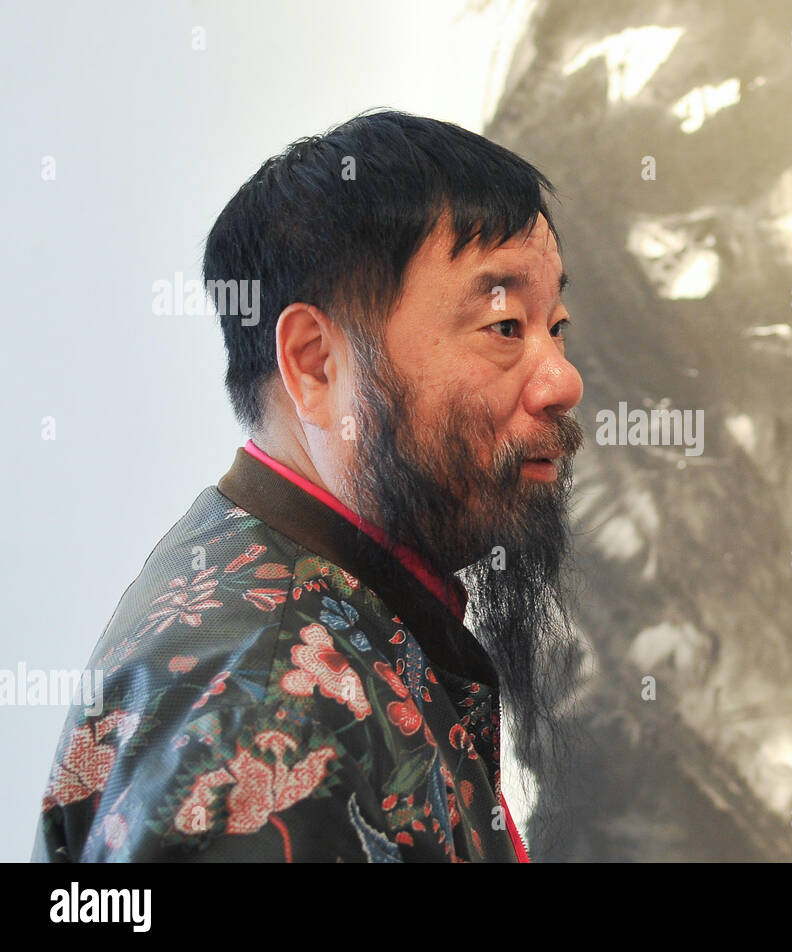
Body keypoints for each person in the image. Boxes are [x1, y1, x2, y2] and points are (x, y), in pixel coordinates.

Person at [32, 110, 585, 862]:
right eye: (505, 325)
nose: (562, 379)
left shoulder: (308, 593)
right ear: (317, 363)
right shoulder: (262, 719)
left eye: (556, 325)